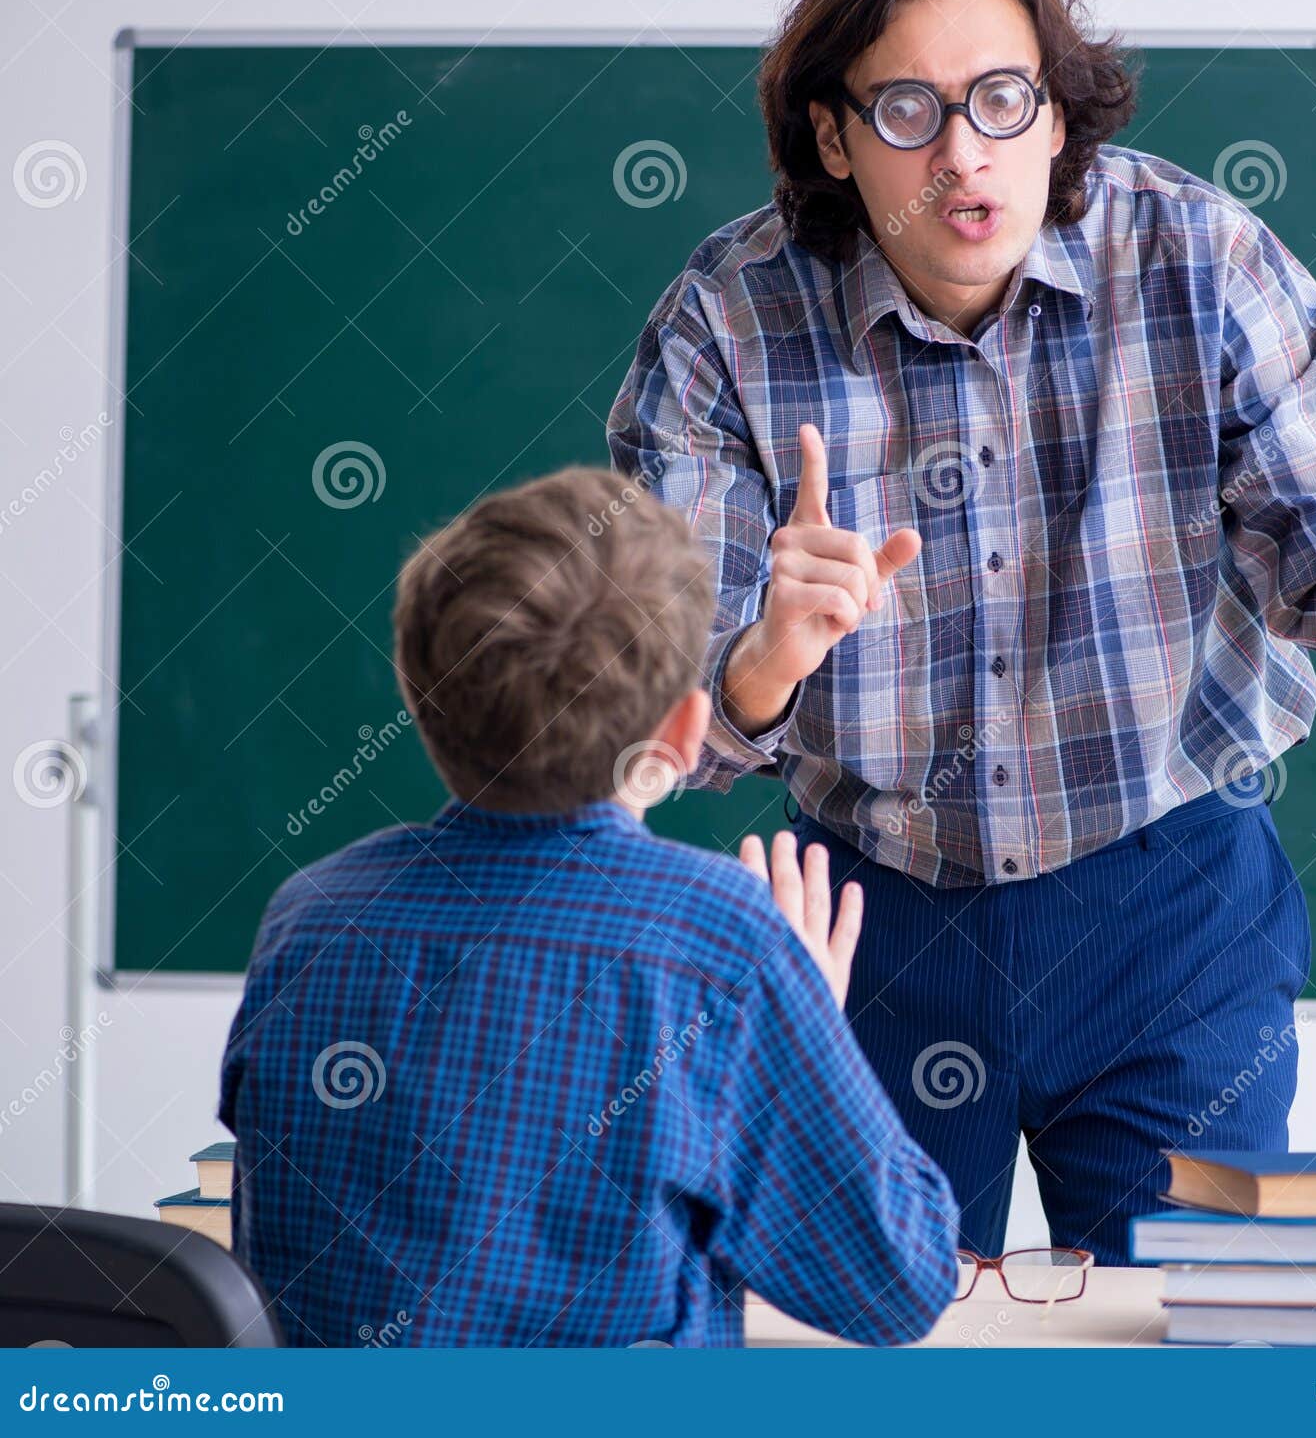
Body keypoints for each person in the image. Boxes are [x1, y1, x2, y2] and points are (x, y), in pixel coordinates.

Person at [606, 0, 1316, 1265]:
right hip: (870, 918)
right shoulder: (727, 319)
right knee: (869, 1344)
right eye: (908, 108)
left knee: (1198, 1343)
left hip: (1167, 914)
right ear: (834, 137)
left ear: (1054, 117)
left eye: (1001, 97)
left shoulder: (1198, 256)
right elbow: (660, 714)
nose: (964, 151)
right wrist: (765, 658)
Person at [218, 466, 959, 1346]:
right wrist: (811, 1021)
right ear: (687, 734)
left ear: (421, 703)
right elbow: (899, 1288)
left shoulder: (309, 917)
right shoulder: (718, 941)